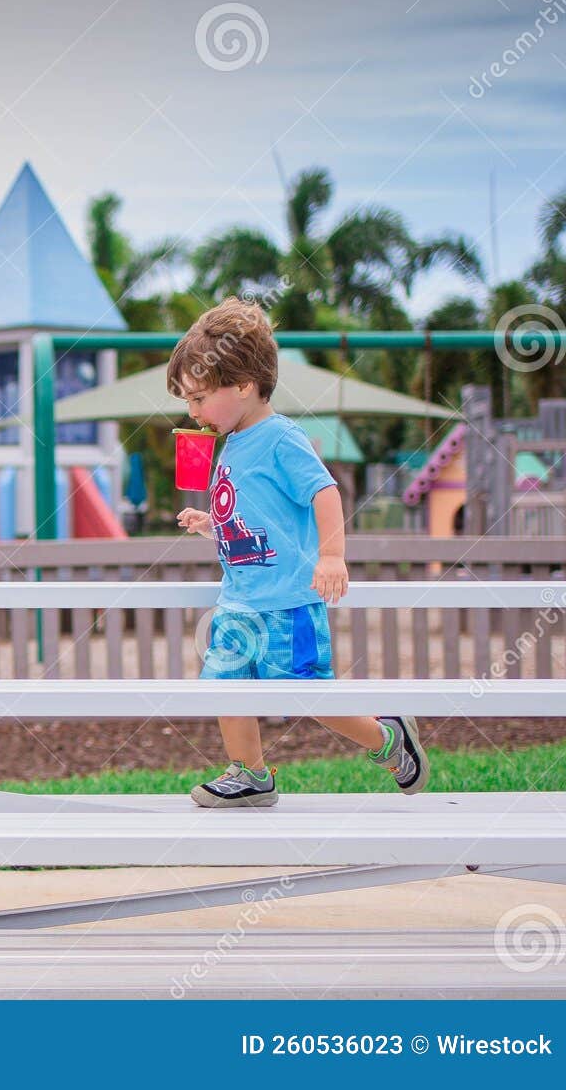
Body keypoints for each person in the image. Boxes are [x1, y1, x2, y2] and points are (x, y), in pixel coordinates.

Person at [168, 298, 429, 807]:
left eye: (199, 398)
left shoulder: (282, 437)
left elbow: (324, 493)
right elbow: (257, 517)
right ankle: (251, 773)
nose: (192, 412)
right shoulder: (232, 442)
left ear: (243, 385)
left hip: (287, 601)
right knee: (225, 685)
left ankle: (387, 738)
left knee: (306, 696)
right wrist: (213, 524)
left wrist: (331, 557)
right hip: (239, 600)